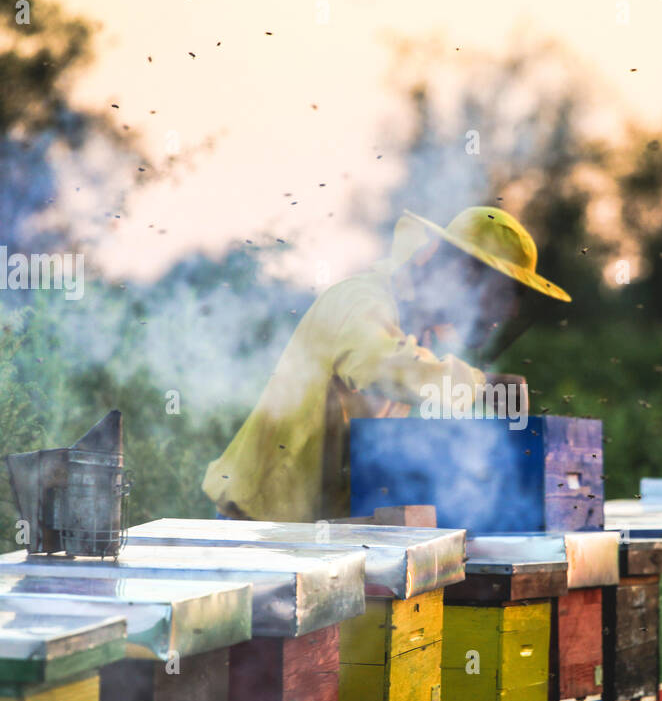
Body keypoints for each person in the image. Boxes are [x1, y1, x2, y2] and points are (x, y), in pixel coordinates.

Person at [202, 206, 572, 522]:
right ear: (460, 273)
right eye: (498, 294)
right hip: (258, 524)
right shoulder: (363, 299)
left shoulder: (416, 334)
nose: (500, 312)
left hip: (316, 533)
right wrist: (480, 386)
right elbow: (382, 367)